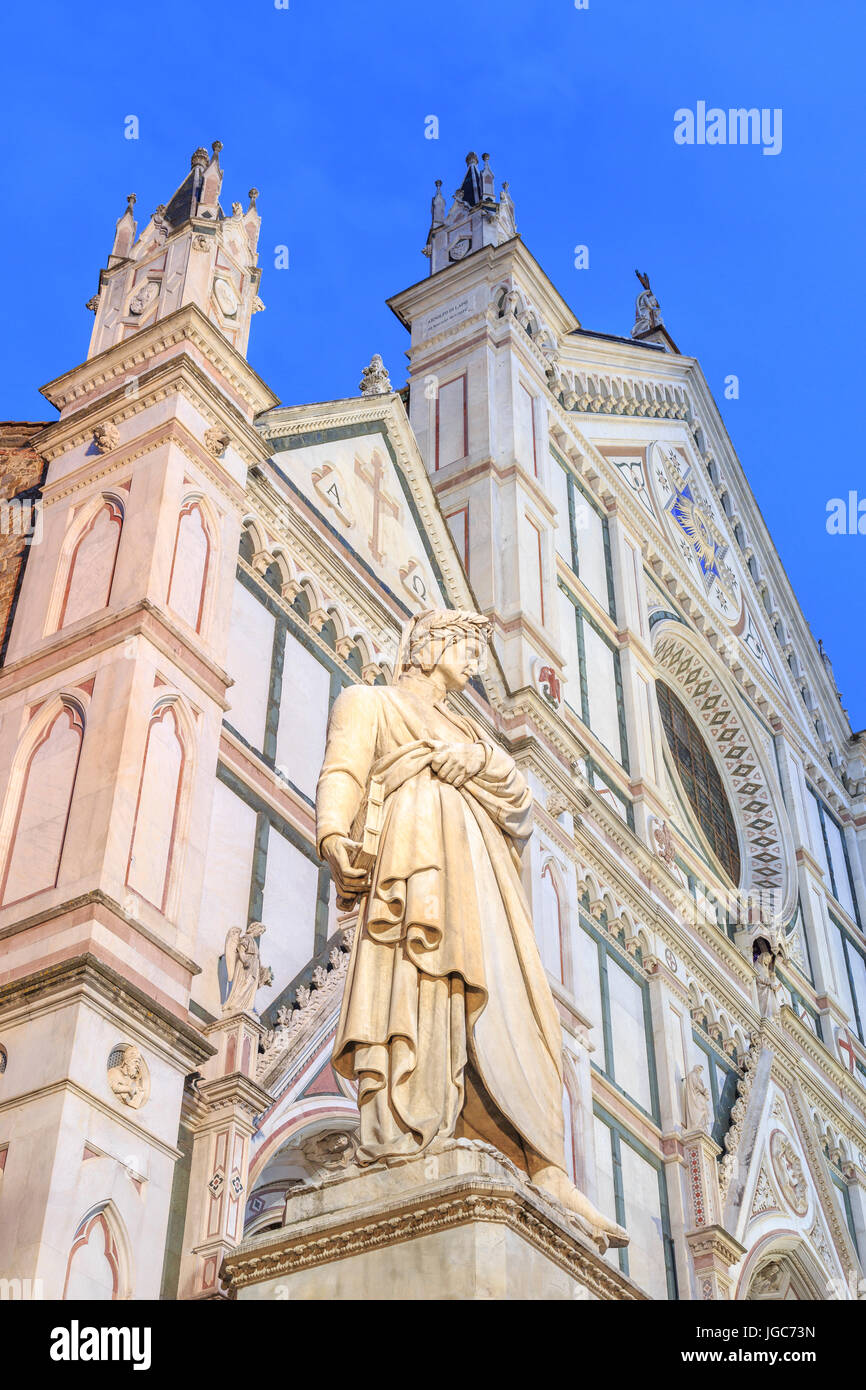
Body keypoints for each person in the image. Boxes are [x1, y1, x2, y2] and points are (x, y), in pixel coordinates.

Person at [316, 607, 627, 1251]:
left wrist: (471, 759)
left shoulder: (470, 734)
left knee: (520, 1017)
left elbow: (516, 797)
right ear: (431, 645)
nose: (477, 665)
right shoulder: (369, 702)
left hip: (478, 891)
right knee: (418, 990)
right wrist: (331, 836)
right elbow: (342, 772)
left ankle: (546, 1166)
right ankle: (406, 1129)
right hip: (411, 868)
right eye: (468, 648)